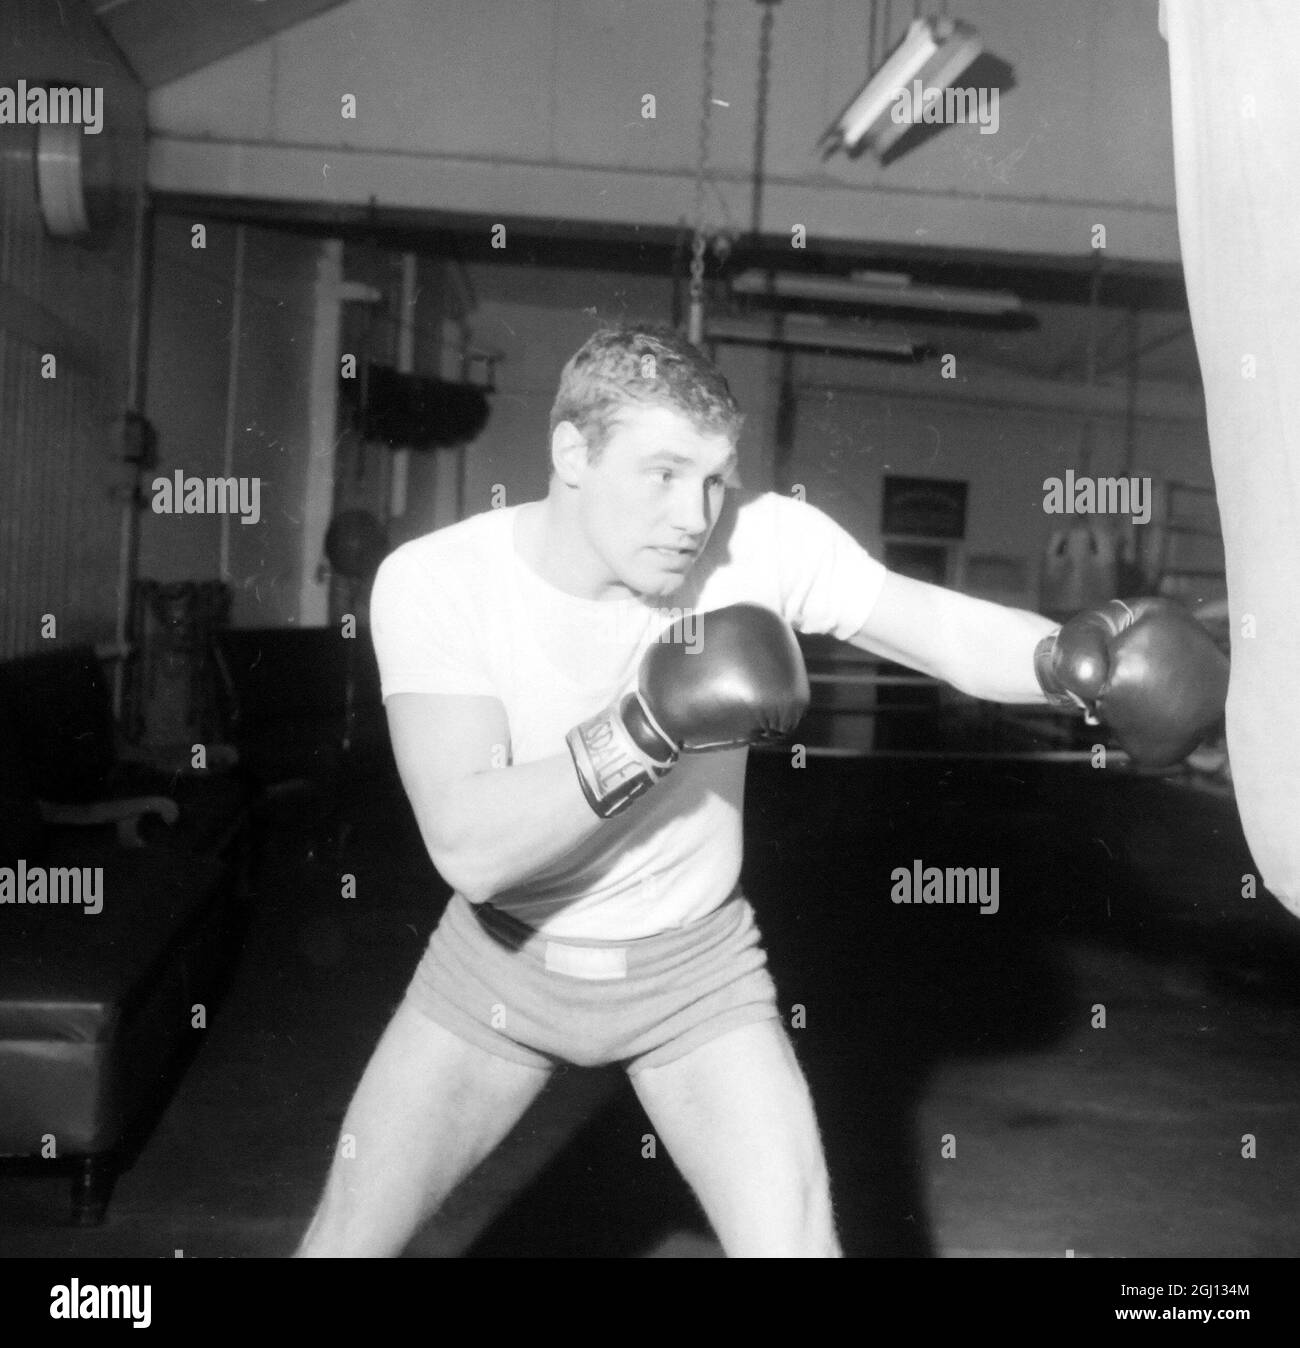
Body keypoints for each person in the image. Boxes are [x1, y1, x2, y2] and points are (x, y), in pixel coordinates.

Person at [295, 323, 1227, 1258]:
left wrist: (1065, 662)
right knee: (346, 1243)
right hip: (498, 967)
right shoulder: (439, 581)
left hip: (694, 975)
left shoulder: (759, 542)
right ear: (571, 452)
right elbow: (468, 844)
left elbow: (932, 627)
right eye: (662, 473)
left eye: (713, 478)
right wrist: (644, 730)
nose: (693, 514)